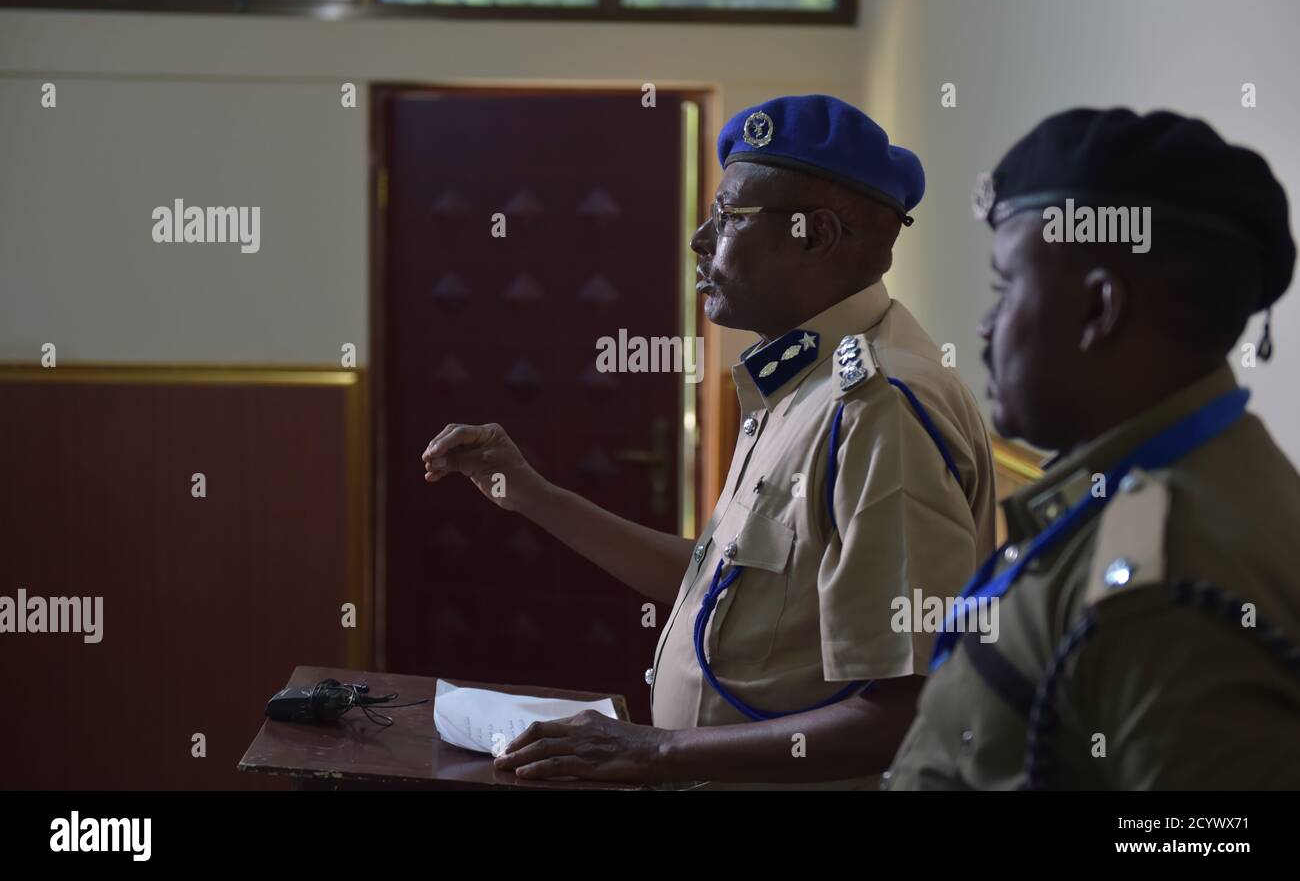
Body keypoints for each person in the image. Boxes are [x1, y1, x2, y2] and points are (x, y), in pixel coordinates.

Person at [424, 95, 996, 786]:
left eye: (728, 217)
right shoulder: (799, 378)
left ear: (814, 235)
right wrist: (535, 495)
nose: (700, 238)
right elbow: (716, 581)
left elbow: (911, 713)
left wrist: (651, 751)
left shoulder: (879, 408)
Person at [888, 107, 1300, 790]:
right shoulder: (1135, 486)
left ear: (1098, 309)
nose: (986, 326)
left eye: (1005, 286)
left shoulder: (1171, 586)